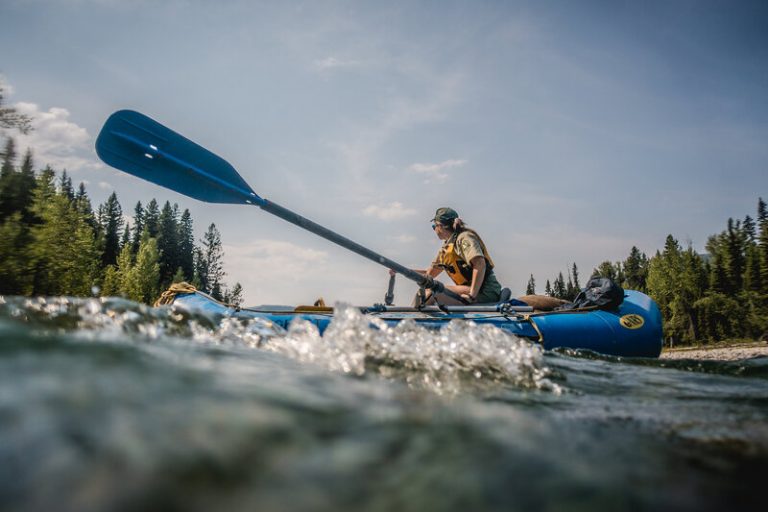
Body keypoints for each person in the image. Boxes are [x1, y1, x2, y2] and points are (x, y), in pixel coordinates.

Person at [403, 207, 503, 306]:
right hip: (468, 289)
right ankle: (408, 319)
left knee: (432, 293)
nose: (434, 230)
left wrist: (472, 295)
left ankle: (412, 320)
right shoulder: (446, 248)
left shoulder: (464, 238)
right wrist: (402, 270)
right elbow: (428, 274)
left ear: (440, 226)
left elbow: (479, 263)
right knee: (425, 292)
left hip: (485, 291)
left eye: (434, 227)